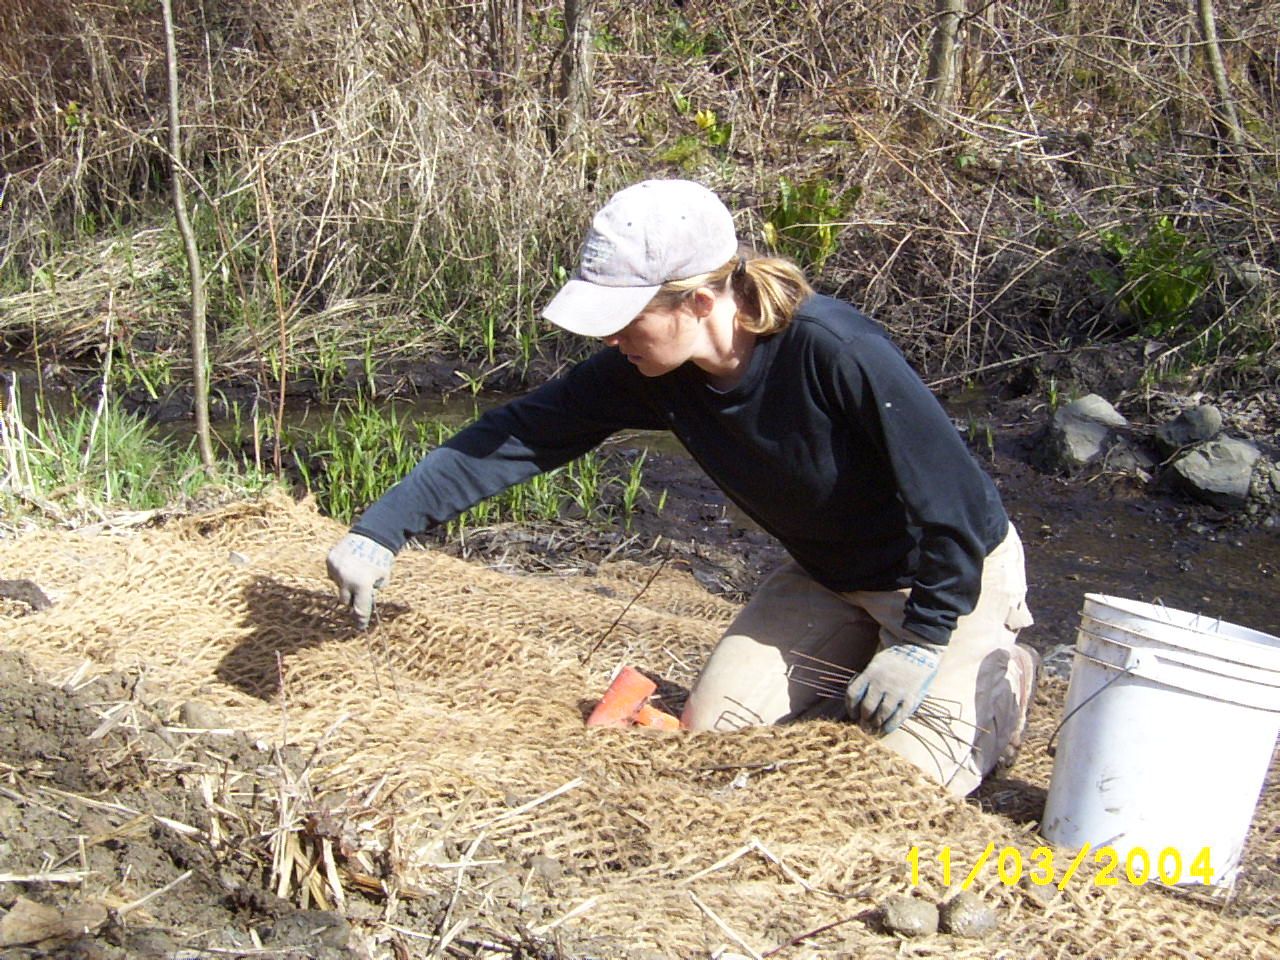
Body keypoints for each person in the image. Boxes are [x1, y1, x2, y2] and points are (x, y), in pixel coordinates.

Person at [326, 178, 1037, 796]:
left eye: (624, 318)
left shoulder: (835, 352)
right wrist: (381, 528)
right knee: (715, 729)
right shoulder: (650, 372)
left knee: (905, 777)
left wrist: (923, 637)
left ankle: (1003, 678)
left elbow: (954, 505)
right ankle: (857, 656)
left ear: (698, 301)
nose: (609, 339)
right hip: (828, 577)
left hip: (951, 574)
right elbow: (519, 436)